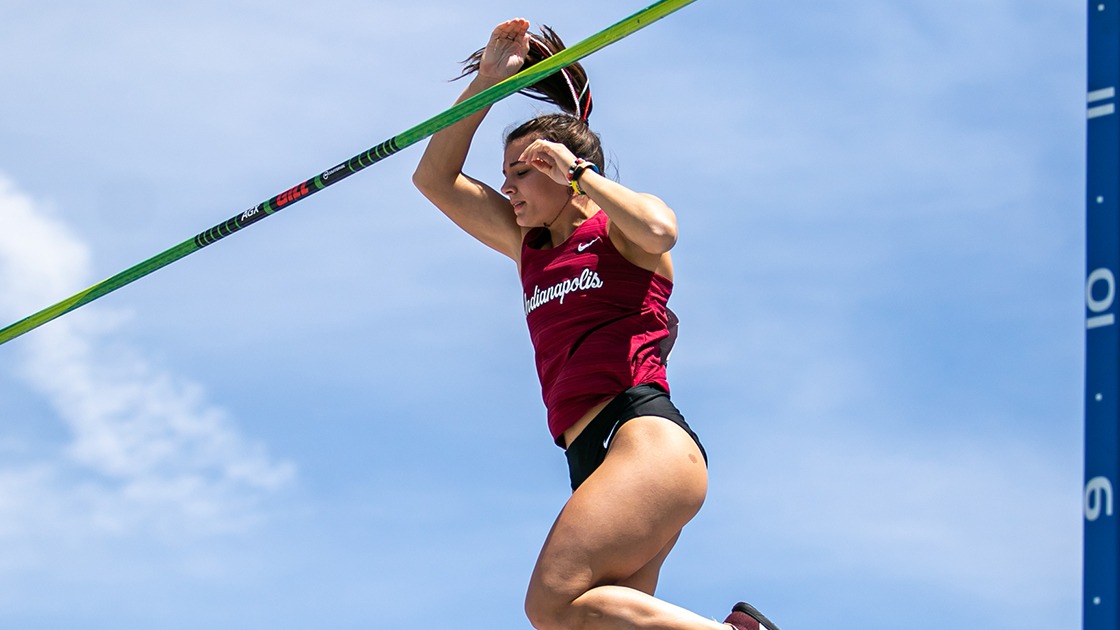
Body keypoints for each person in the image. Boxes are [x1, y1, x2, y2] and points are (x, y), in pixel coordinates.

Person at [412, 17, 780, 630]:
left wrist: (579, 174)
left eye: (521, 171)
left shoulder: (620, 233)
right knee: (587, 622)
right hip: (590, 455)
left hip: (643, 438)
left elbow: (661, 229)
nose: (506, 186)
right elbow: (433, 179)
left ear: (564, 169)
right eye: (505, 173)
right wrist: (486, 86)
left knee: (549, 603)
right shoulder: (529, 246)